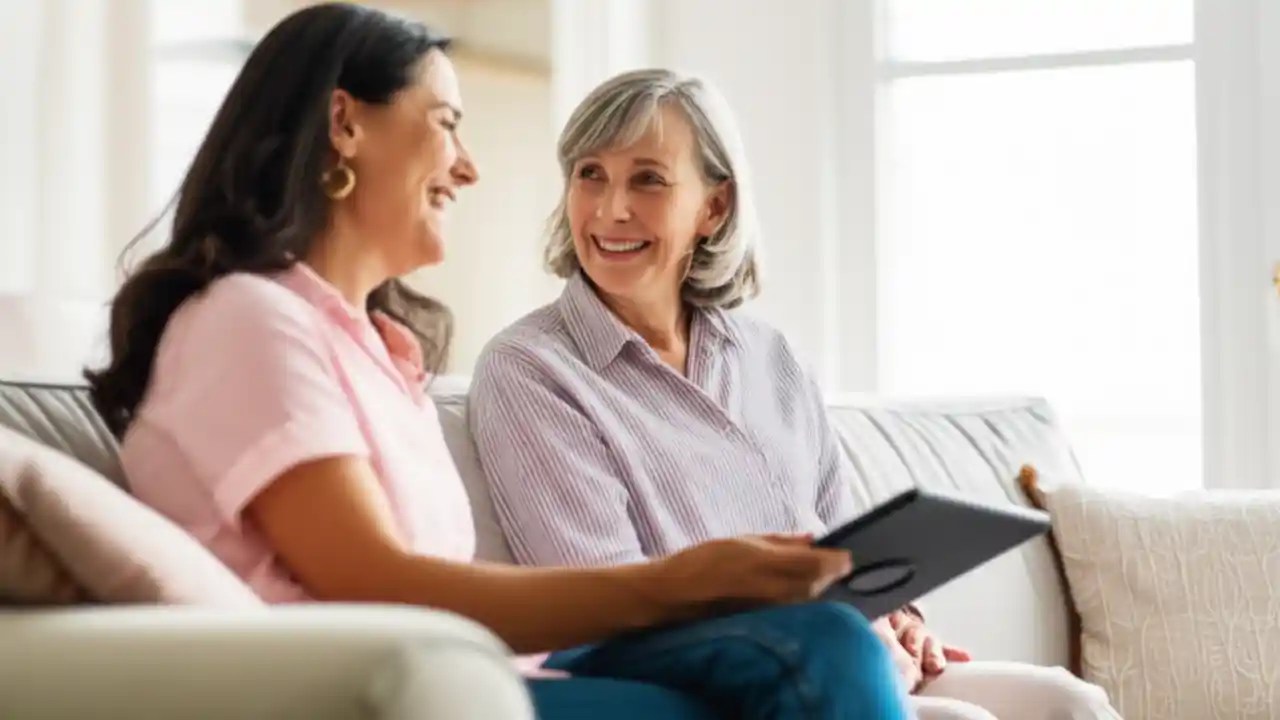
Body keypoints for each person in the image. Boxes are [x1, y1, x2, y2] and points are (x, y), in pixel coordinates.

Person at [84, 5, 911, 719]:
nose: (469, 166)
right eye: (446, 123)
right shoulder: (246, 320)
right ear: (345, 124)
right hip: (359, 689)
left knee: (801, 657)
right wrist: (694, 580)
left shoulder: (372, 349)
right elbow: (378, 581)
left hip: (474, 677)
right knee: (809, 652)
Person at [469, 68, 1124, 720]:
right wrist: (827, 620)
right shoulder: (530, 369)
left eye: (648, 179)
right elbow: (597, 594)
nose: (611, 209)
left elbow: (846, 544)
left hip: (842, 646)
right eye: (590, 174)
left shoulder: (769, 356)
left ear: (714, 207)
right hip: (699, 665)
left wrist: (901, 618)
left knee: (1070, 702)